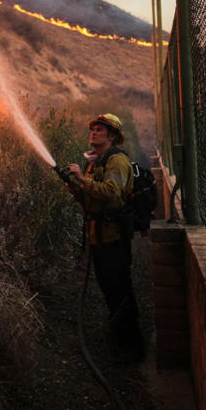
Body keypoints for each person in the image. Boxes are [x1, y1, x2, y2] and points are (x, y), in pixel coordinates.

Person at [67, 113, 144, 362]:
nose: (94, 132)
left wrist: (82, 179)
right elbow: (93, 201)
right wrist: (78, 190)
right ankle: (119, 338)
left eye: (100, 129)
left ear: (111, 136)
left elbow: (112, 193)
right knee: (109, 290)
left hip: (113, 239)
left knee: (119, 289)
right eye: (93, 129)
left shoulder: (118, 161)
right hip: (98, 239)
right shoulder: (95, 162)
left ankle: (131, 348)